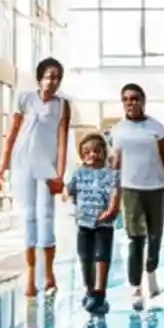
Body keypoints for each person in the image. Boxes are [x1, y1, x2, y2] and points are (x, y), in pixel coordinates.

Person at [0, 57, 71, 298]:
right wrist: (2, 166)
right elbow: (13, 133)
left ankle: (49, 274)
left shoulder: (62, 105)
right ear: (40, 77)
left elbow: (62, 141)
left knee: (47, 217)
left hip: (46, 165)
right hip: (23, 163)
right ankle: (30, 275)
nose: (53, 81)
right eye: (50, 76)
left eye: (58, 77)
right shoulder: (24, 98)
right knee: (29, 217)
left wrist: (60, 175)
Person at [109, 83, 164, 311]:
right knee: (135, 238)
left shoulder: (155, 127)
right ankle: (136, 287)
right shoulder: (118, 130)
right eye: (126, 99)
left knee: (155, 236)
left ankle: (151, 270)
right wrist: (114, 193)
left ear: (143, 101)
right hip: (131, 189)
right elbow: (116, 164)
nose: (131, 102)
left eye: (135, 98)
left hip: (156, 188)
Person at [65, 132, 120, 314]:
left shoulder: (110, 174)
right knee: (85, 257)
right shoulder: (78, 173)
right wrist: (67, 194)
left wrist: (112, 209)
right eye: (87, 152)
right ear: (82, 155)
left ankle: (99, 292)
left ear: (104, 153)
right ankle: (89, 290)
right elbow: (69, 191)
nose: (92, 155)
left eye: (97, 151)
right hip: (83, 223)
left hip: (103, 223)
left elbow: (115, 194)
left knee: (101, 257)